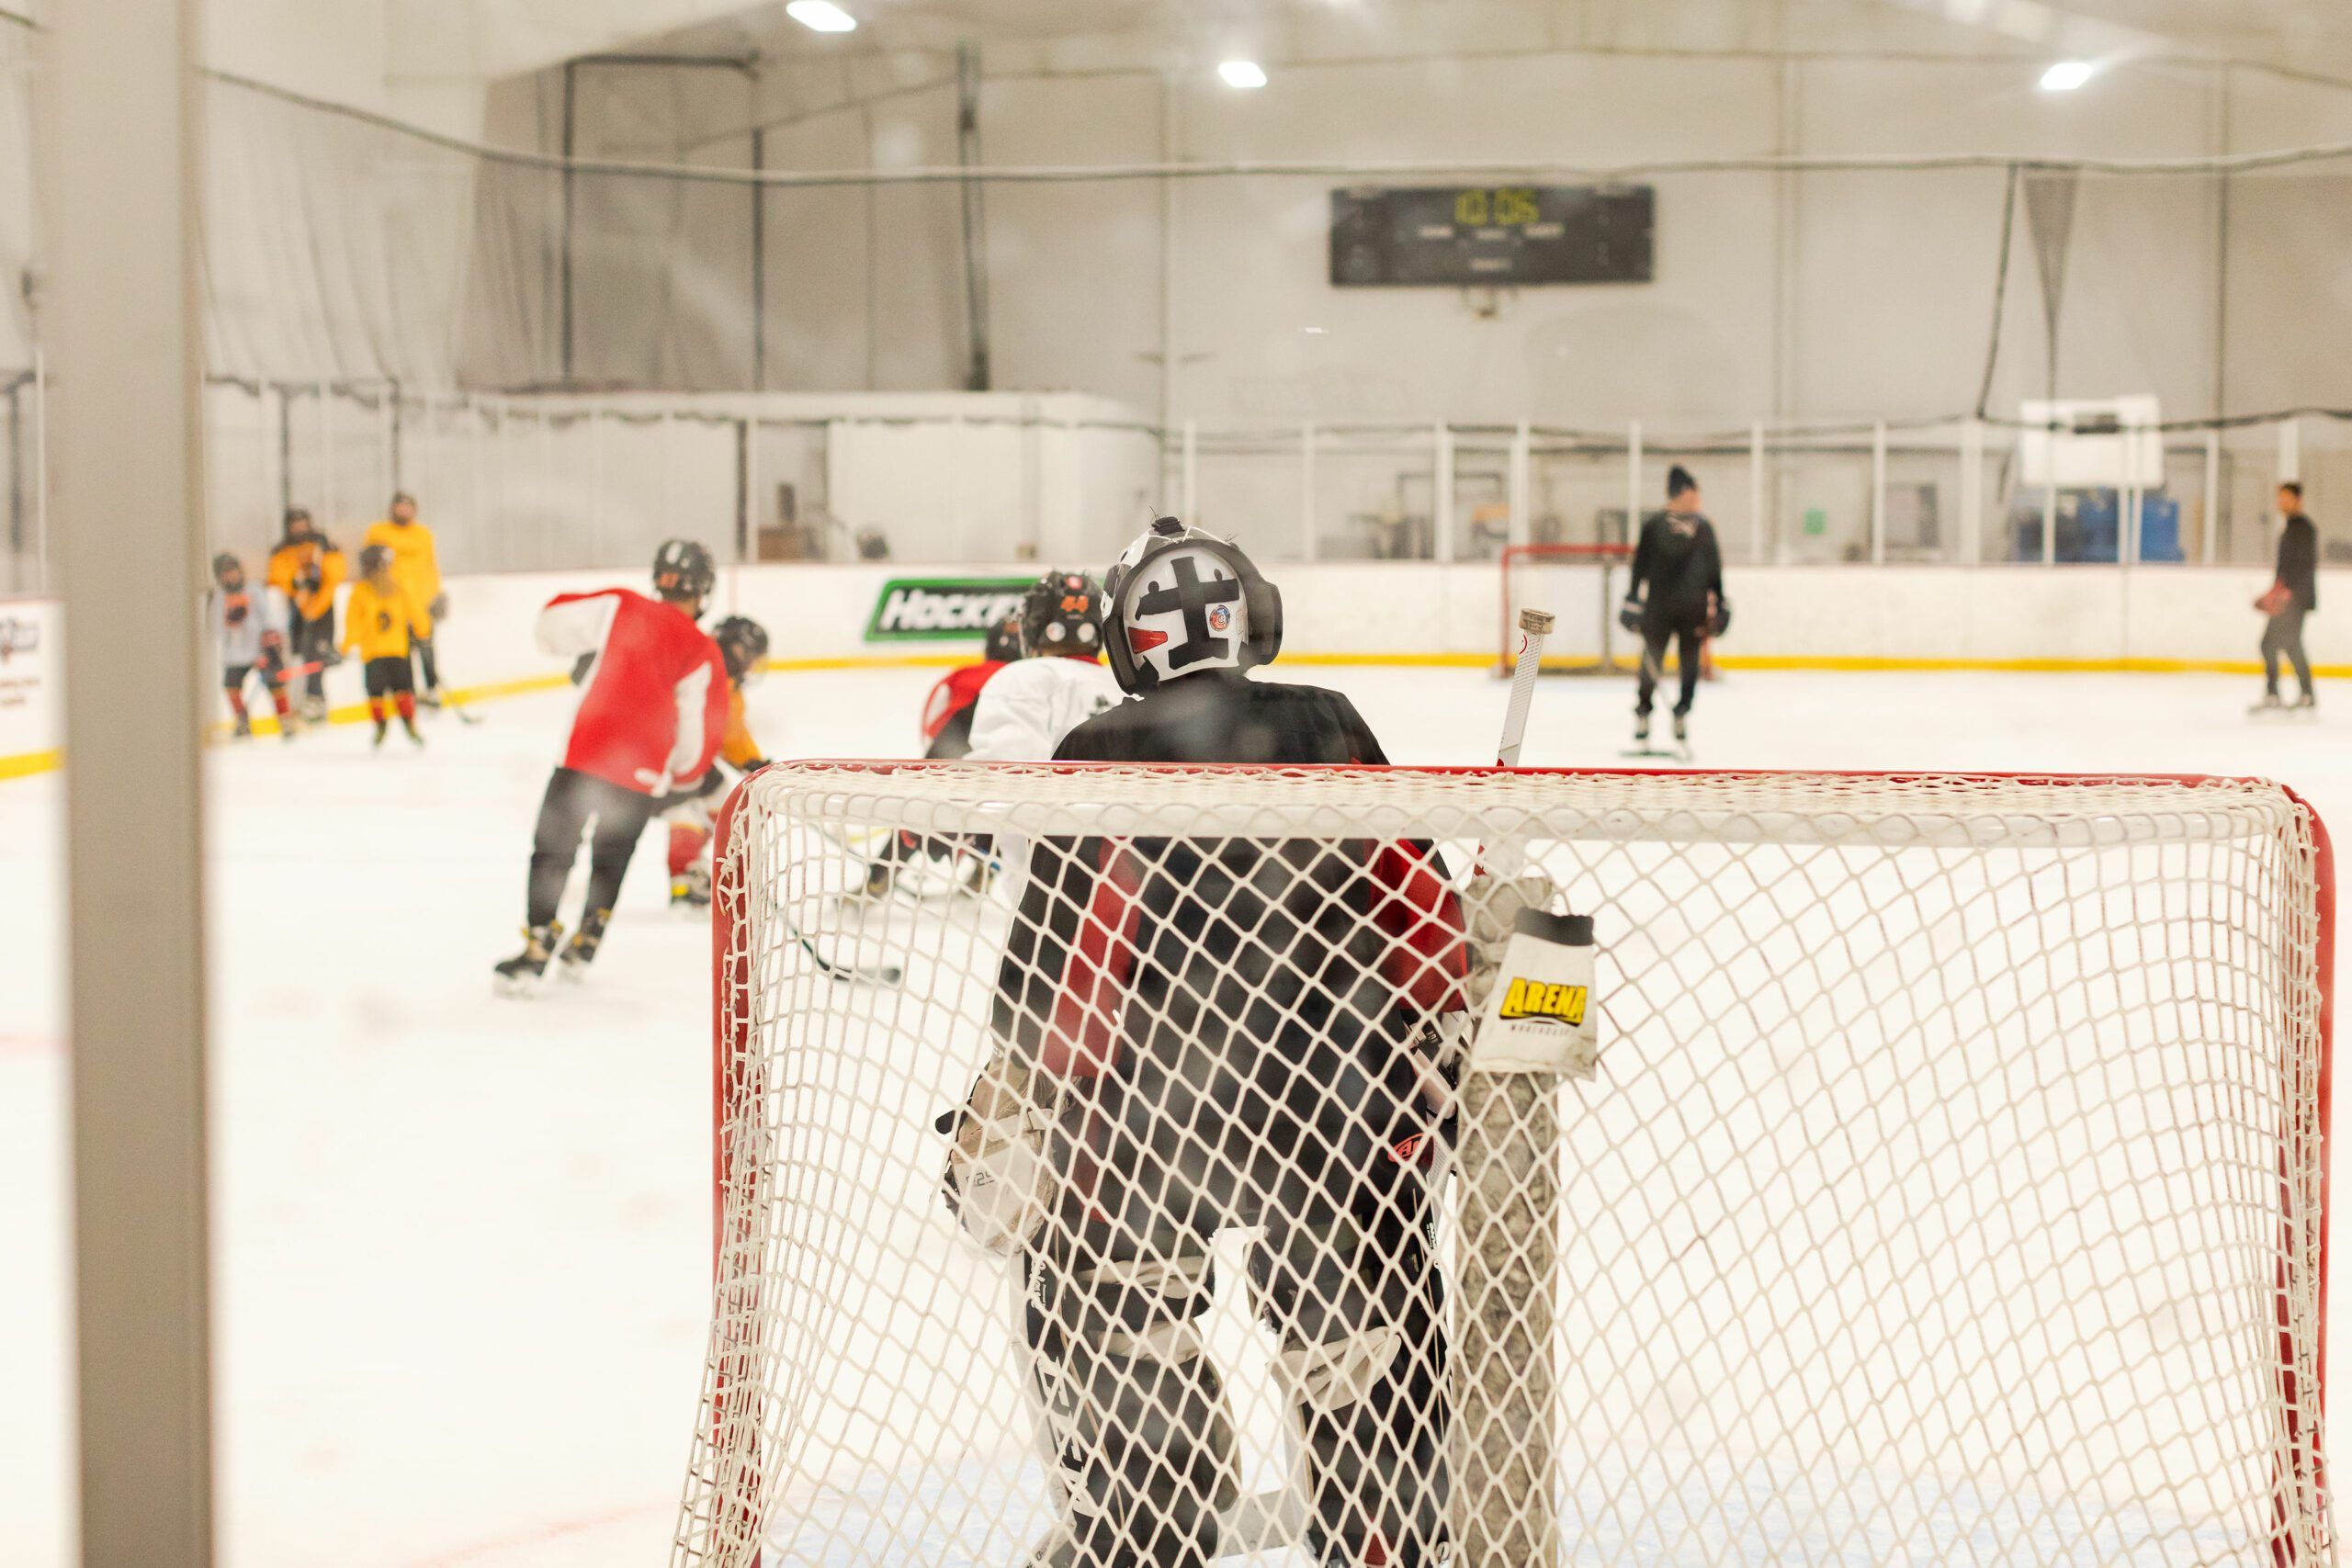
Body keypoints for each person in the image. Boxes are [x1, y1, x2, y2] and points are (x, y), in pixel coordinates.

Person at [942, 517, 1465, 1567]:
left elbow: (1066, 976)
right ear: (1255, 619)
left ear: (1128, 648)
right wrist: (1436, 1037)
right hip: (1335, 1109)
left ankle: (1149, 1524)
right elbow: (1427, 927)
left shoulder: (1099, 750)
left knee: (1110, 1313)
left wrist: (1025, 1080)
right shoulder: (1329, 724)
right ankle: (1386, 1532)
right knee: (1364, 1336)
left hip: (1149, 1128)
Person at [493, 539, 729, 992]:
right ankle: (589, 938)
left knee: (552, 851)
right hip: (641, 777)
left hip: (584, 756)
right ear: (702, 590)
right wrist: (678, 775)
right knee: (611, 860)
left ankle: (538, 944)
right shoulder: (702, 649)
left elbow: (550, 625)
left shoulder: (621, 605)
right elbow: (697, 735)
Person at [860, 576, 1121, 899]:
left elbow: (1006, 769)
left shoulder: (1019, 678)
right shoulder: (1121, 685)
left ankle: (879, 876)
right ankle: (983, 864)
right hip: (1132, 881)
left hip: (1048, 890)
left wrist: (936, 815)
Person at [667, 615, 772, 909]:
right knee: (686, 804)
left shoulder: (722, 680)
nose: (752, 664)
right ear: (736, 649)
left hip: (682, 756)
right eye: (750, 655)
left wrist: (751, 760)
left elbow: (730, 732)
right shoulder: (708, 675)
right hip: (661, 755)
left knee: (721, 801)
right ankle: (683, 880)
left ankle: (694, 875)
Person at [1623, 464, 1725, 750]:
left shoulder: (1703, 528)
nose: (1698, 501)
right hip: (1659, 608)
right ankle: (1643, 711)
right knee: (1651, 661)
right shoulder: (1654, 526)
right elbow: (1639, 565)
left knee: (1689, 664)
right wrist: (1632, 599)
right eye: (1695, 495)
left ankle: (1682, 711)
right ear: (1682, 494)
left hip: (1693, 609)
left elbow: (1714, 568)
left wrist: (1721, 600)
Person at [342, 544, 430, 749]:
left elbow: (414, 611)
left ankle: (409, 724)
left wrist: (423, 630)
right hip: (376, 652)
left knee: (403, 690)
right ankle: (381, 726)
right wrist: (344, 647)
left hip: (395, 650)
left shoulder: (395, 588)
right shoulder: (362, 592)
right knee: (376, 693)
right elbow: (354, 624)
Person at [364, 491, 445, 707]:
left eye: (407, 507)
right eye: (399, 507)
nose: (403, 511)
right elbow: (371, 567)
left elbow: (431, 567)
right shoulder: (379, 532)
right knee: (402, 650)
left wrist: (435, 595)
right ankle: (408, 691)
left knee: (426, 645)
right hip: (392, 604)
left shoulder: (423, 535)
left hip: (420, 602)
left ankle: (432, 687)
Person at [266, 507, 345, 723]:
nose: (299, 527)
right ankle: (301, 700)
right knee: (299, 654)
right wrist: (295, 585)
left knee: (317, 654)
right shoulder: (282, 550)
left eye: (303, 523)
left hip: (322, 610)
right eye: (295, 524)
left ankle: (316, 698)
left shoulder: (323, 544)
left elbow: (335, 574)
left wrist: (317, 598)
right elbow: (278, 575)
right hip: (297, 609)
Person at [209, 551, 295, 742]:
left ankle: (285, 720)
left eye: (233, 571)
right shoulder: (219, 598)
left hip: (260, 648)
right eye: (225, 573)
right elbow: (216, 630)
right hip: (235, 654)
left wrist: (271, 638)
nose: (231, 576)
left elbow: (269, 616)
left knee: (276, 683)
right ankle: (242, 722)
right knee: (231, 685)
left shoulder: (253, 590)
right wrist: (229, 620)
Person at [921, 610, 1023, 760]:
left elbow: (931, 725)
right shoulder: (1027, 680)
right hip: (1009, 765)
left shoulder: (959, 675)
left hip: (949, 759)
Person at [2256, 481, 2319, 713]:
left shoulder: (2303, 528)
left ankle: (2287, 695)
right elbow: (2285, 569)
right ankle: (2304, 695)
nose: (2281, 502)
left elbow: (2304, 566)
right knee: (2287, 645)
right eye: (2279, 497)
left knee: (2272, 644)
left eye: (2285, 497)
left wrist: (2284, 594)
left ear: (2298, 499)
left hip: (2295, 599)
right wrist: (2273, 593)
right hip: (2287, 597)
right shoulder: (2291, 528)